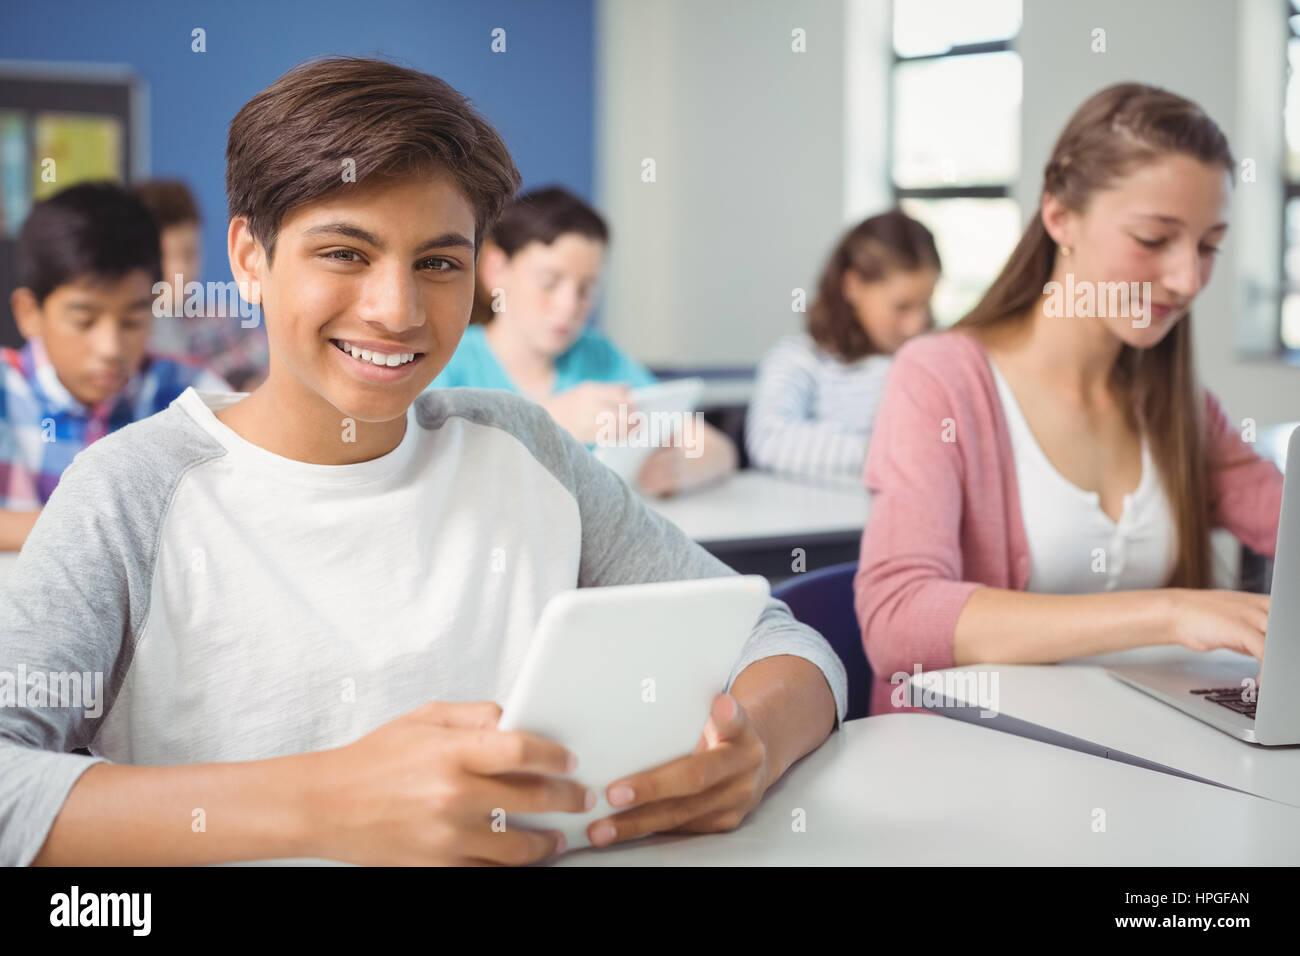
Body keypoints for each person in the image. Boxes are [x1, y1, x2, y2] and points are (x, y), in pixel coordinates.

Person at [0, 57, 846, 867]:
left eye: (439, 262)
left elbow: (784, 643)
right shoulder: (129, 493)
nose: (396, 310)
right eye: (344, 253)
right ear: (251, 259)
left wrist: (755, 749)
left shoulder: (525, 450)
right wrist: (325, 804)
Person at [855, 83, 1284, 716]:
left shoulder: (1181, 407)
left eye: (1208, 245)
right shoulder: (941, 379)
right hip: (968, 763)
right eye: (1153, 238)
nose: (1187, 278)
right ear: (1060, 218)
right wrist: (1170, 612)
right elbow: (898, 620)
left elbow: (1285, 517)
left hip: (1138, 753)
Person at [430, 186, 739, 496]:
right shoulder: (450, 359)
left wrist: (684, 467)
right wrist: (544, 422)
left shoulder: (598, 357)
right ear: (497, 270)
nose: (568, 307)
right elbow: (430, 467)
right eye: (549, 282)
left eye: (586, 289)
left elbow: (716, 449)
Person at [0, 181, 228, 551]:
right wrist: (103, 530)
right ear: (30, 313)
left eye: (132, 321)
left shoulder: (196, 395)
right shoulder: (5, 392)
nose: (110, 349)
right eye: (84, 321)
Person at [746, 209, 939, 482]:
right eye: (902, 307)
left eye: (926, 304)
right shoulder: (800, 358)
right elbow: (769, 440)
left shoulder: (935, 364)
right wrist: (895, 452)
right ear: (853, 285)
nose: (916, 325)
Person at [133, 179, 270, 389]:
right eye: (165, 256)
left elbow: (272, 371)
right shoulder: (130, 333)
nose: (181, 270)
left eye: (189, 254)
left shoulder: (221, 322)